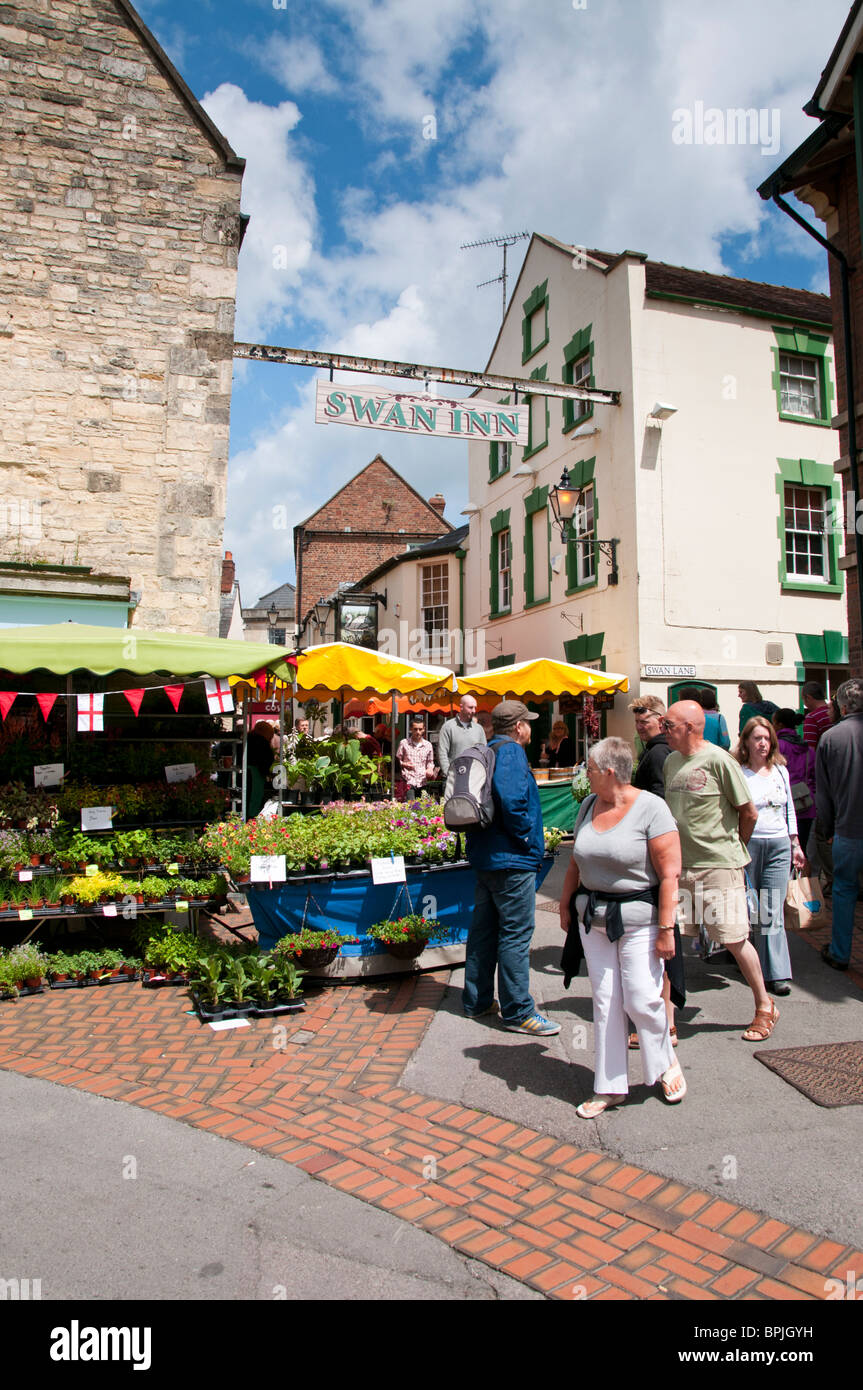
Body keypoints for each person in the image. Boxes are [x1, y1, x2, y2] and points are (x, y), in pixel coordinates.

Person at [558, 737, 685, 1116]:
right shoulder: (587, 805)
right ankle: (610, 1085)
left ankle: (663, 1063)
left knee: (642, 997)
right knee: (606, 1000)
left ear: (610, 772)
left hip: (640, 920)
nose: (585, 775)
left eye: (590, 769)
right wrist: (566, 904)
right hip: (593, 919)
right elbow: (576, 863)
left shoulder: (651, 808)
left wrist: (666, 929)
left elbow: (670, 874)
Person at [662, 701, 778, 1042]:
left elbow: (749, 812)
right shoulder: (671, 762)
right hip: (681, 867)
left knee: (733, 938)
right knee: (671, 943)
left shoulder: (719, 760)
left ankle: (764, 1004)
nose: (663, 730)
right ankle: (665, 1020)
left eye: (669, 725)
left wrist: (733, 850)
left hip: (718, 866)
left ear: (689, 727)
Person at [463, 700, 560, 1036]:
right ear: (519, 727)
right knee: (515, 935)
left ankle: (477, 1000)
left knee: (484, 932)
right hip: (511, 860)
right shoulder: (512, 753)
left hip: (485, 857)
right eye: (528, 723)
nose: (530, 729)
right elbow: (511, 799)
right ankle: (518, 1010)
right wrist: (527, 841)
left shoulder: (486, 749)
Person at [734, 717, 805, 997]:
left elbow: (790, 811)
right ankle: (748, 958)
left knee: (772, 908)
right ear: (747, 742)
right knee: (751, 907)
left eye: (766, 738)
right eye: (757, 738)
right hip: (751, 844)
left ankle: (776, 973)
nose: (762, 743)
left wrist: (795, 843)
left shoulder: (780, 771)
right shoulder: (739, 772)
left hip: (778, 844)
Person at [629, 695, 682, 1048]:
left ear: (660, 719)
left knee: (662, 936)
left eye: (644, 718)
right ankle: (663, 1016)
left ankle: (666, 1020)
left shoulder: (659, 753)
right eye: (636, 719)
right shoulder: (654, 749)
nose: (639, 724)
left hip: (656, 853)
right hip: (654, 851)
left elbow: (661, 803)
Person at [816, 677, 863, 971]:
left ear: (843, 706)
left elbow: (824, 793)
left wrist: (828, 829)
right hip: (848, 828)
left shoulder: (832, 738)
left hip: (848, 830)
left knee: (844, 891)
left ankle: (840, 952)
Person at [773, 709, 817, 864]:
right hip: (806, 803)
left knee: (784, 856)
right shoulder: (808, 749)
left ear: (779, 724)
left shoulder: (778, 746)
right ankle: (802, 885)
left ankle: (788, 887)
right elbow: (813, 776)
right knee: (802, 852)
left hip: (784, 805)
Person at [437, 695, 486, 779]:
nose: (474, 711)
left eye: (475, 708)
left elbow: (484, 753)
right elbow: (442, 752)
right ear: (461, 707)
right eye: (470, 707)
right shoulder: (448, 727)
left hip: (474, 778)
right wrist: (449, 774)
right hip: (454, 778)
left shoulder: (479, 729)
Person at [395, 719, 435, 799]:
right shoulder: (404, 743)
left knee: (423, 808)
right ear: (411, 729)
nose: (418, 732)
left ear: (424, 729)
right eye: (415, 729)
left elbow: (430, 762)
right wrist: (403, 764)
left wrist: (430, 769)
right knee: (410, 805)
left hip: (422, 781)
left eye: (420, 729)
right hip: (408, 780)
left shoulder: (428, 745)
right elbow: (396, 761)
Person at [245, 720, 276, 818]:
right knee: (254, 800)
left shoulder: (247, 739)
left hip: (245, 773)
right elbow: (266, 761)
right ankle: (251, 819)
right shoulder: (262, 743)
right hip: (255, 775)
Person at [802, 681, 834, 751]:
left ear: (808, 698)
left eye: (803, 699)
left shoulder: (812, 717)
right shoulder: (835, 712)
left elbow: (810, 749)